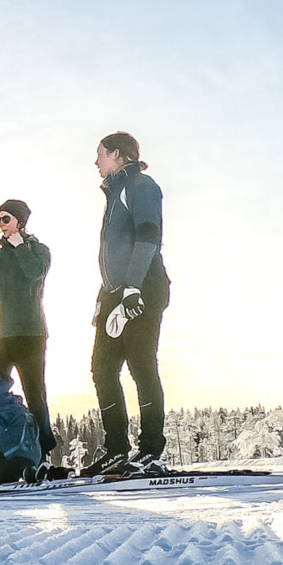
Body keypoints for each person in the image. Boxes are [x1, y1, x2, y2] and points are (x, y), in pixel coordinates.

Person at [83, 132, 170, 475]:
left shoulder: (141, 186)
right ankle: (117, 449)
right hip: (114, 293)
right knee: (102, 369)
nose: (96, 162)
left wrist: (132, 286)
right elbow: (113, 253)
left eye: (100, 154)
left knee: (141, 367)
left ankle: (151, 450)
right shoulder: (113, 192)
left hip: (143, 288)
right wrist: (104, 295)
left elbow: (149, 234)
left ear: (117, 155)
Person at [0, 199, 56, 460]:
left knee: (35, 395)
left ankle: (42, 455)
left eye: (6, 218)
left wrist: (20, 247)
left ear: (20, 221)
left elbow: (34, 272)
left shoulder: (39, 251)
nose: (1, 224)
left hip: (30, 335)